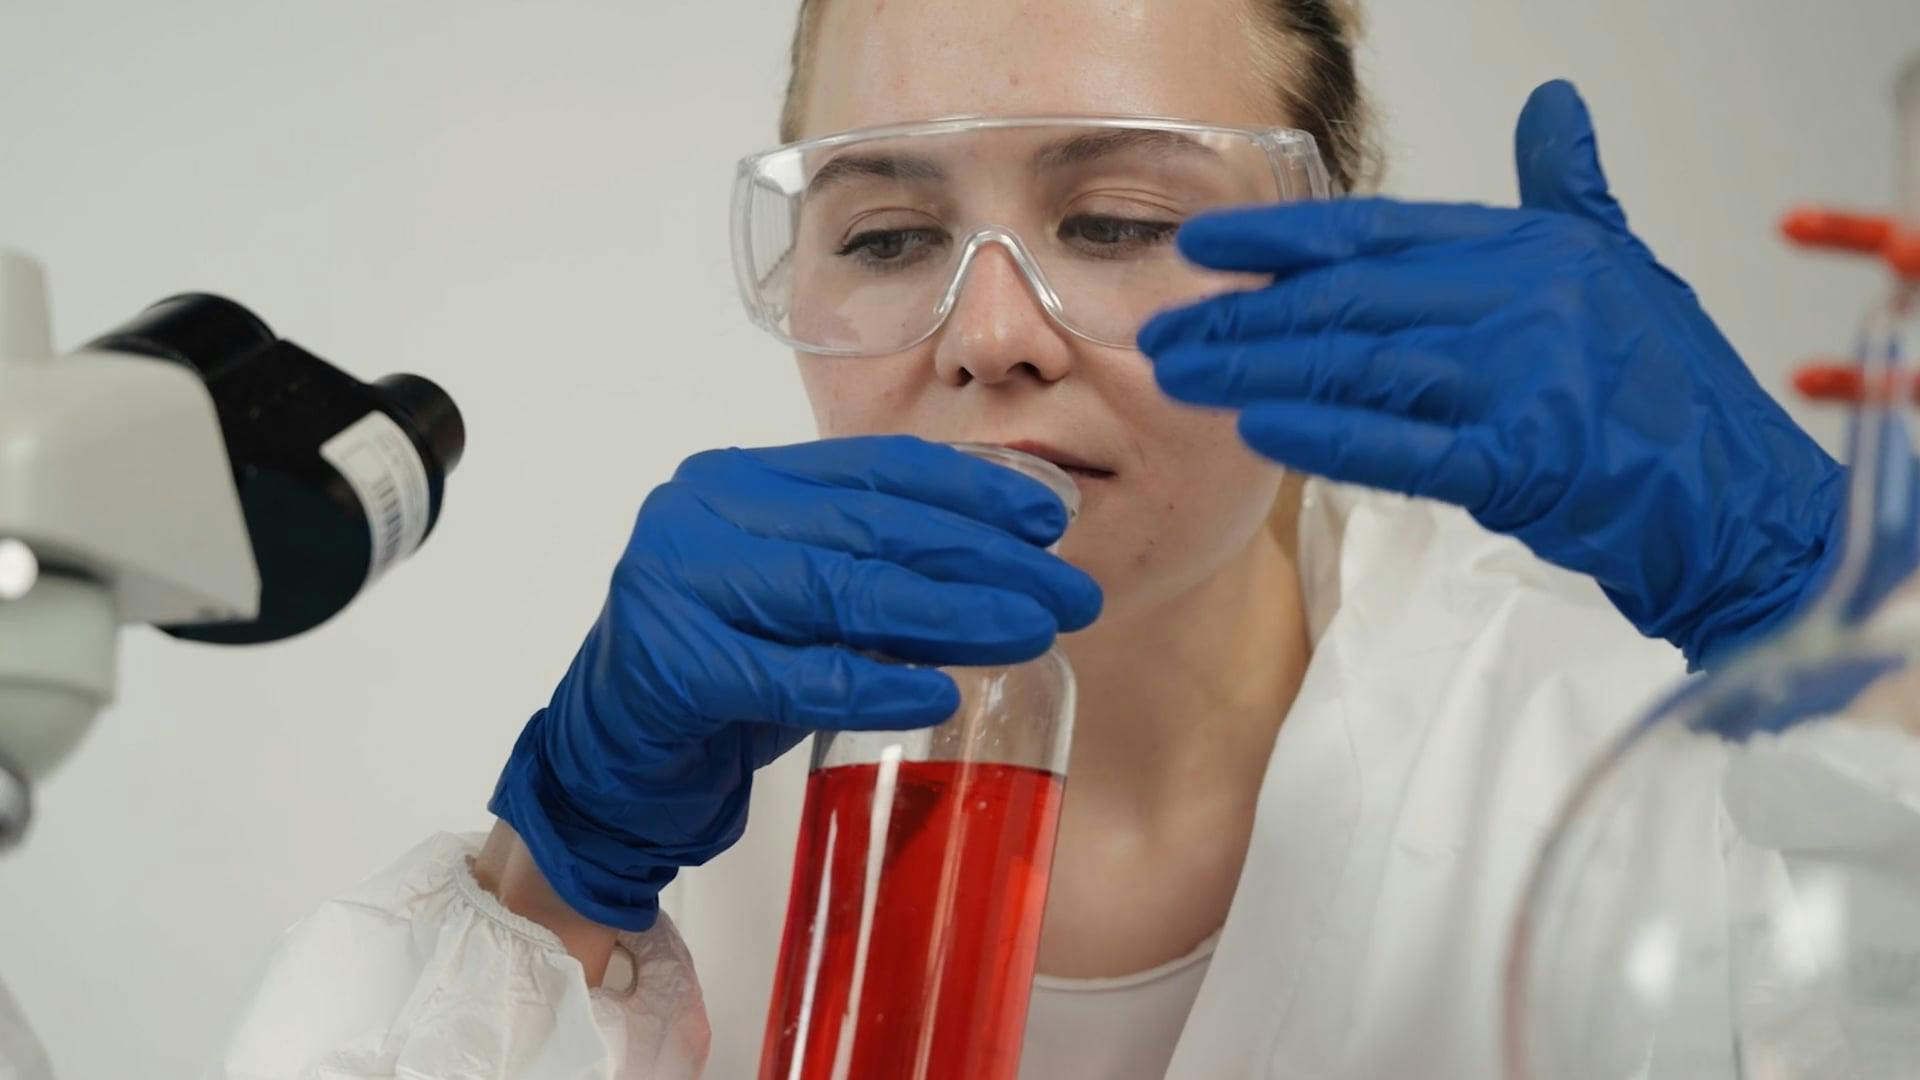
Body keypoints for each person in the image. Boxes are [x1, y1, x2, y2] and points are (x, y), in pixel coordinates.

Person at [214, 1, 1846, 1077]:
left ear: (1343, 239)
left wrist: (1840, 629)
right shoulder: (691, 791)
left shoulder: (1614, 756)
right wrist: (559, 875)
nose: (991, 335)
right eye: (889, 235)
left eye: (1117, 221)